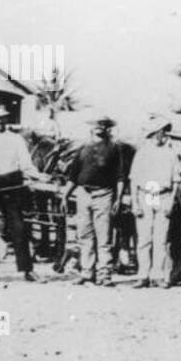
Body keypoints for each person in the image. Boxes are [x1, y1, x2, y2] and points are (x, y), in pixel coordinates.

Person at [63, 116, 128, 286]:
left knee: (104, 236)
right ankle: (86, 273)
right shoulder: (83, 148)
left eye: (103, 125)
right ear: (91, 128)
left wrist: (118, 198)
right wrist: (65, 195)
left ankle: (104, 275)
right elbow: (73, 175)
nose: (100, 128)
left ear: (108, 129)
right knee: (85, 235)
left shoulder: (114, 149)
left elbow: (121, 176)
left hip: (104, 194)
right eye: (97, 125)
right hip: (83, 194)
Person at [0, 104, 41, 282]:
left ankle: (27, 269)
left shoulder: (16, 140)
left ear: (7, 119)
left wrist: (39, 176)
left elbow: (26, 164)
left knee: (19, 227)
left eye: (1, 118)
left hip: (12, 184)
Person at [129, 119, 179, 288]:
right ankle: (143, 275)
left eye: (164, 132)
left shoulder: (171, 153)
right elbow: (134, 179)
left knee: (161, 239)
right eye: (159, 132)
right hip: (146, 194)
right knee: (144, 238)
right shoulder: (142, 153)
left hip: (163, 195)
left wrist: (171, 202)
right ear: (153, 134)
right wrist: (135, 203)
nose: (161, 135)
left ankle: (157, 275)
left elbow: (176, 181)